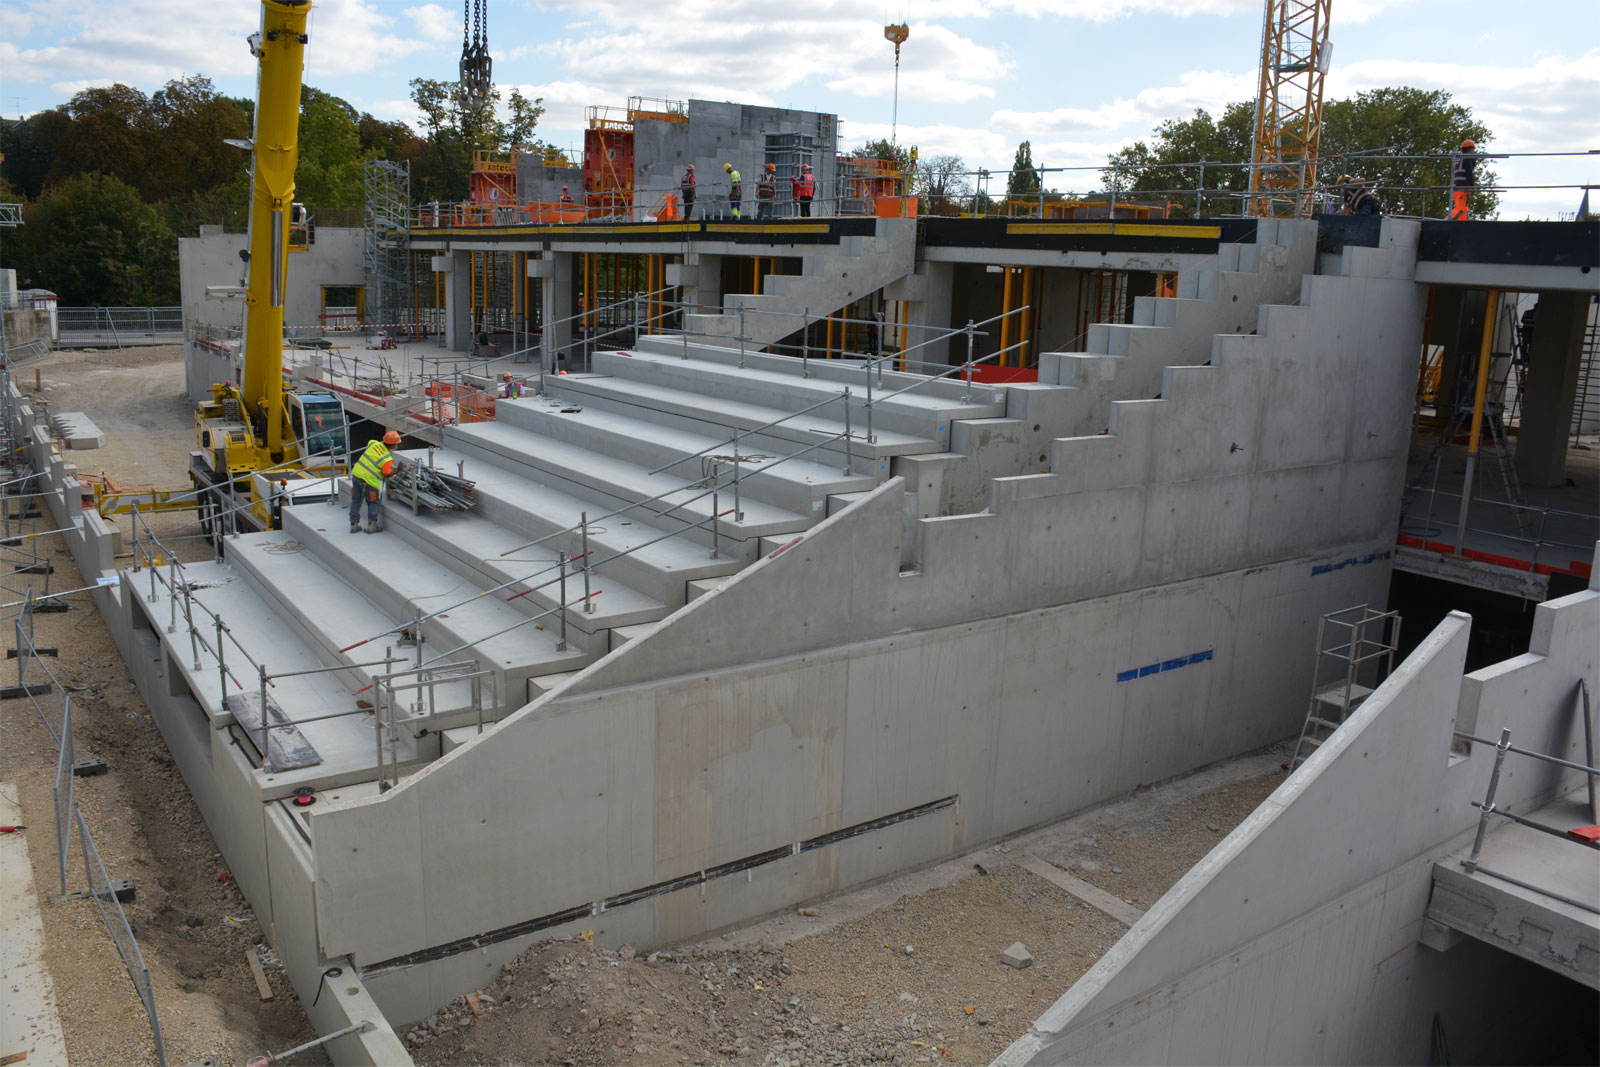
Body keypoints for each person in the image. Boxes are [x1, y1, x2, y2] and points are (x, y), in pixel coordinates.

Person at [350, 430, 401, 534]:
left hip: (357, 475)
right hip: (370, 482)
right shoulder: (387, 458)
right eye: (396, 444)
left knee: (356, 500)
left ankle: (354, 525)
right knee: (373, 502)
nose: (396, 446)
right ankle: (372, 526)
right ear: (392, 445)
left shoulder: (373, 443)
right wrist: (397, 470)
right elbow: (385, 474)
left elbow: (372, 443)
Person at [1448, 139, 1477, 221]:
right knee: (1460, 209)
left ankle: (1462, 226)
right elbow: (1469, 173)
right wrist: (1472, 187)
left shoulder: (1458, 159)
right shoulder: (1467, 158)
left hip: (1457, 188)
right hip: (1462, 188)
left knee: (1464, 209)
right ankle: (1445, 222)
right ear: (1469, 149)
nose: (1473, 151)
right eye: (1473, 149)